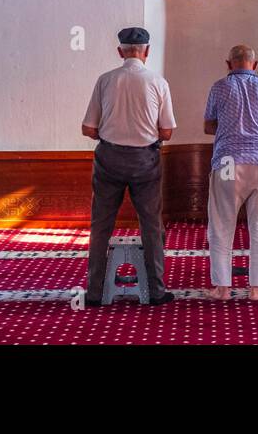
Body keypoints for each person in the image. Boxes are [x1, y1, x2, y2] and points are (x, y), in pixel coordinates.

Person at [81, 27, 176, 307]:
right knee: (151, 225)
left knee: (101, 225)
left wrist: (107, 134)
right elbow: (167, 132)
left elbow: (88, 128)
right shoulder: (158, 82)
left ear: (120, 52)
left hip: (109, 159)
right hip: (145, 161)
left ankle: (95, 292)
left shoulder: (106, 80)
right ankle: (157, 290)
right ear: (147, 52)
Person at [203, 44, 258, 301]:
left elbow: (208, 126)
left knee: (221, 225)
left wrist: (231, 128)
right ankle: (257, 288)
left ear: (228, 64)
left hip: (227, 162)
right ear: (254, 65)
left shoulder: (219, 87)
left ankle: (222, 288)